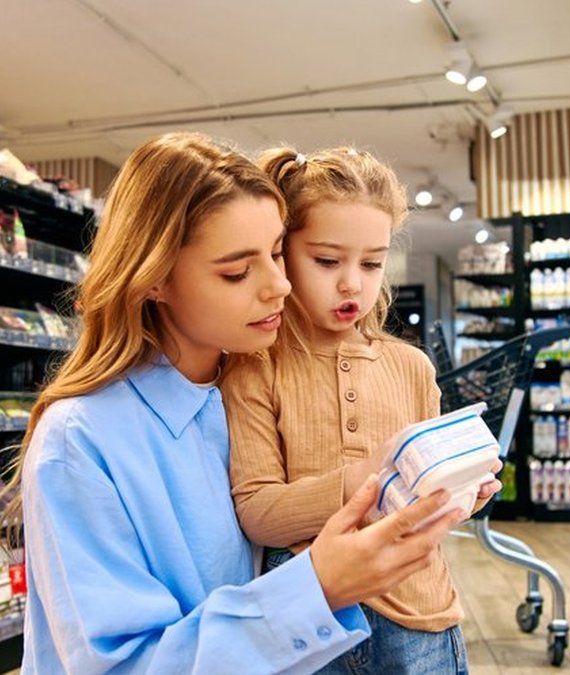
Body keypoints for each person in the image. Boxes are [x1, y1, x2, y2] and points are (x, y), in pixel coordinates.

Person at [0, 132, 467, 674]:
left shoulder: (239, 391)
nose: (280, 286)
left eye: (276, 253)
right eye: (237, 271)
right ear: (154, 279)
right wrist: (318, 587)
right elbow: (122, 665)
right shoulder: (80, 441)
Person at [222, 146, 501, 674]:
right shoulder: (254, 367)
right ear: (281, 254)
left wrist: (467, 490)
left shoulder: (413, 367)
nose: (353, 282)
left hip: (422, 614)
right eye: (327, 261)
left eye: (372, 262)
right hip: (312, 621)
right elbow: (258, 513)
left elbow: (433, 502)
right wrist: (360, 480)